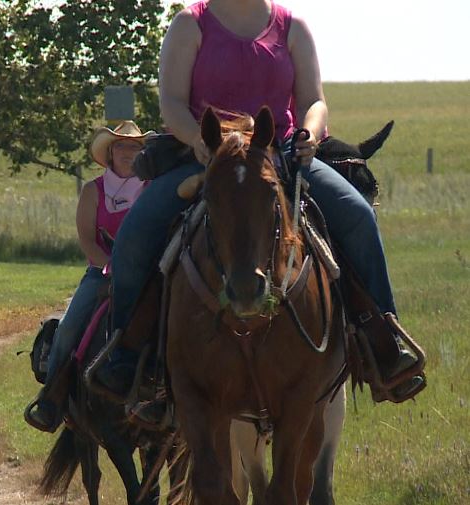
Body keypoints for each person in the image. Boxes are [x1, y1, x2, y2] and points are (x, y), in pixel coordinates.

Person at [96, 0, 425, 403]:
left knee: (357, 215)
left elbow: (314, 100)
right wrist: (198, 140)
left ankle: (384, 344)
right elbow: (172, 104)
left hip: (281, 155)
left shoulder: (292, 26)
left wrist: (309, 133)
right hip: (208, 157)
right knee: (135, 232)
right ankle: (127, 356)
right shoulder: (190, 24)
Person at [25, 121, 150, 432]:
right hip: (101, 274)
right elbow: (87, 240)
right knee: (69, 326)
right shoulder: (94, 190)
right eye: (122, 146)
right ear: (110, 152)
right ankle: (51, 398)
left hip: (147, 275)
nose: (128, 152)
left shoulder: (151, 188)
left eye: (134, 147)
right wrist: (112, 267)